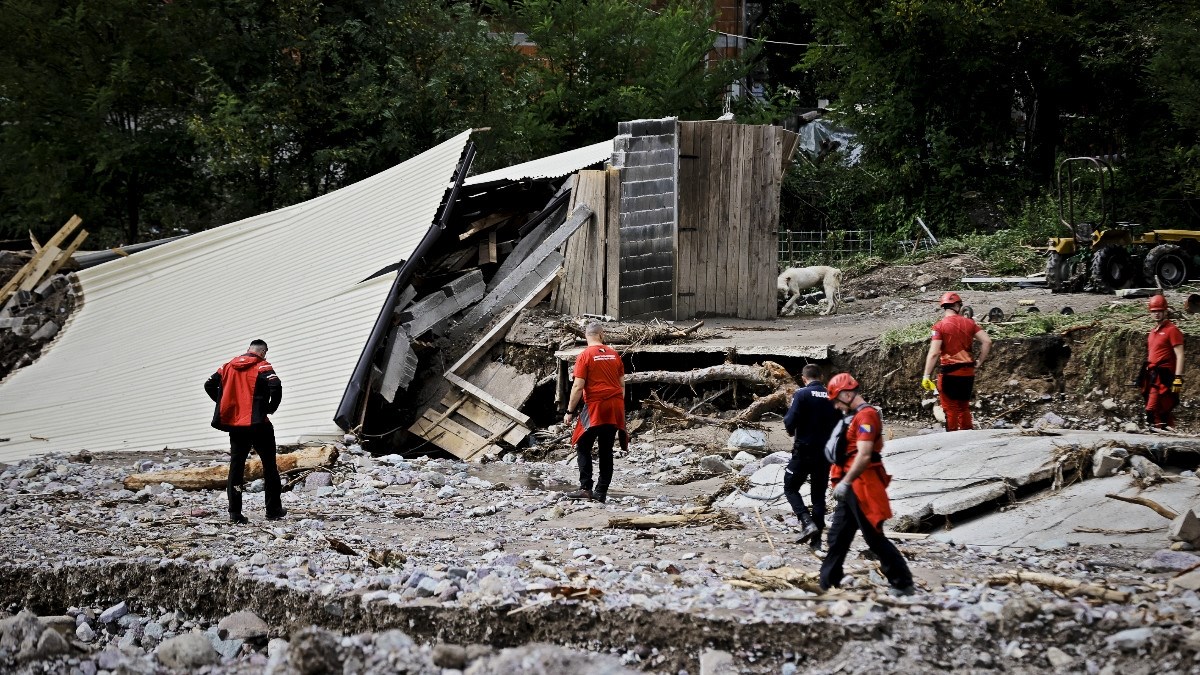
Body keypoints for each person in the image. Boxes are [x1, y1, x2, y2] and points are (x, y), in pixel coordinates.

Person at [819, 373, 915, 596]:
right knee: (838, 536)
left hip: (862, 483)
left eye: (836, 400)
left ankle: (902, 582)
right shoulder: (854, 416)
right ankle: (828, 582)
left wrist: (847, 482)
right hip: (850, 482)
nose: (835, 406)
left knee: (873, 536)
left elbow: (863, 455)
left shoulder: (867, 417)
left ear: (847, 393)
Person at [204, 339, 285, 524]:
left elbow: (208, 385)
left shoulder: (226, 367)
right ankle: (273, 510)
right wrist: (269, 408)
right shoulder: (262, 365)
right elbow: (276, 386)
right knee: (269, 466)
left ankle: (235, 513)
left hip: (236, 426)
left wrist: (225, 403)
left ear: (248, 350)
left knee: (236, 466)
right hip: (259, 424)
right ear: (263, 352)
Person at [563, 322, 627, 503]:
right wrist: (618, 405)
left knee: (583, 445)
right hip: (615, 405)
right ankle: (601, 492)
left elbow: (577, 386)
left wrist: (569, 411)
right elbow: (622, 385)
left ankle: (586, 488)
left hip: (595, 406)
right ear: (601, 334)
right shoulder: (614, 354)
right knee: (606, 450)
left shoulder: (585, 356)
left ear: (586, 336)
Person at [782, 364, 841, 551]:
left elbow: (790, 421)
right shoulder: (832, 396)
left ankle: (806, 521)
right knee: (818, 498)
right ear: (821, 377)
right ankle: (816, 544)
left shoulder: (801, 394)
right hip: (825, 454)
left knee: (790, 487)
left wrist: (792, 430)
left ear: (803, 378)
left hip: (804, 451)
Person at [921, 291, 992, 431]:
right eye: (960, 304)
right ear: (956, 305)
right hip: (968, 373)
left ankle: (952, 439)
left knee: (950, 408)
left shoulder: (939, 326)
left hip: (949, 373)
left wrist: (926, 375)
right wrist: (979, 361)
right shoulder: (970, 323)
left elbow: (934, 353)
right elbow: (987, 342)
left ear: (945, 306)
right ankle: (967, 436)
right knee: (963, 407)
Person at [1140, 294, 1185, 429]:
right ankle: (1166, 436)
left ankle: (1156, 435)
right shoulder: (1153, 331)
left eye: (1159, 311)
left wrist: (1178, 378)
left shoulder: (1172, 330)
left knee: (1152, 409)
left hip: (1164, 376)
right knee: (1162, 409)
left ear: (1166, 311)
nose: (1157, 314)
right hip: (1153, 375)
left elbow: (1180, 355)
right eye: (1154, 311)